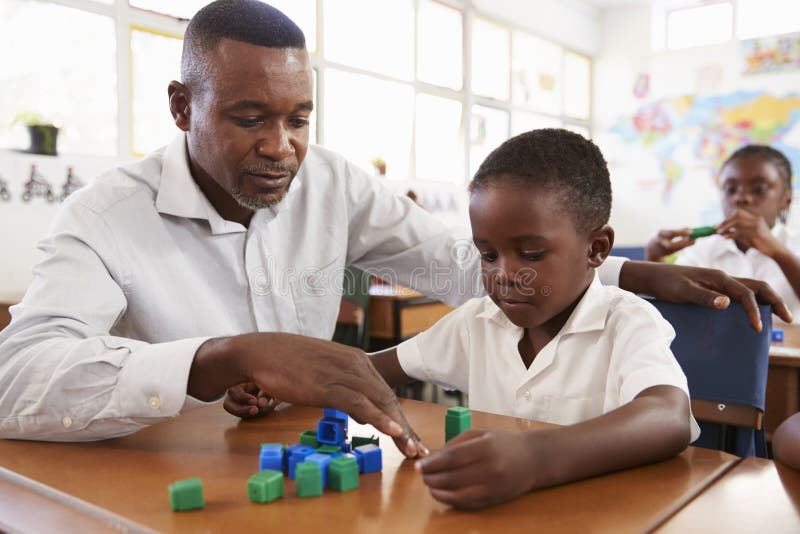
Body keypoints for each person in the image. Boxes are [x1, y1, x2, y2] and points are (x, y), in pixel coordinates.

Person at [0, 0, 788, 447]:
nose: (283, 148)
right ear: (182, 107)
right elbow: (13, 381)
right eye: (249, 118)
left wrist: (624, 271)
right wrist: (216, 359)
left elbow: (456, 262)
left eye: (299, 116)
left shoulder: (330, 181)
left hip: (296, 467)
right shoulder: (105, 219)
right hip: (161, 483)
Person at [364, 129, 700, 509]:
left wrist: (535, 458)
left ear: (597, 248)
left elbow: (669, 416)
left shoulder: (627, 322)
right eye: (488, 255)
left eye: (531, 254)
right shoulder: (477, 322)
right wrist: (293, 380)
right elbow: (370, 371)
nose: (504, 273)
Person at [646, 145, 800, 323]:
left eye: (759, 190)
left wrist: (778, 253)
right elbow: (671, 311)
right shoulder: (702, 249)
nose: (741, 198)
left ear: (786, 200)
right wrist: (654, 259)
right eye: (730, 189)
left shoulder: (794, 244)